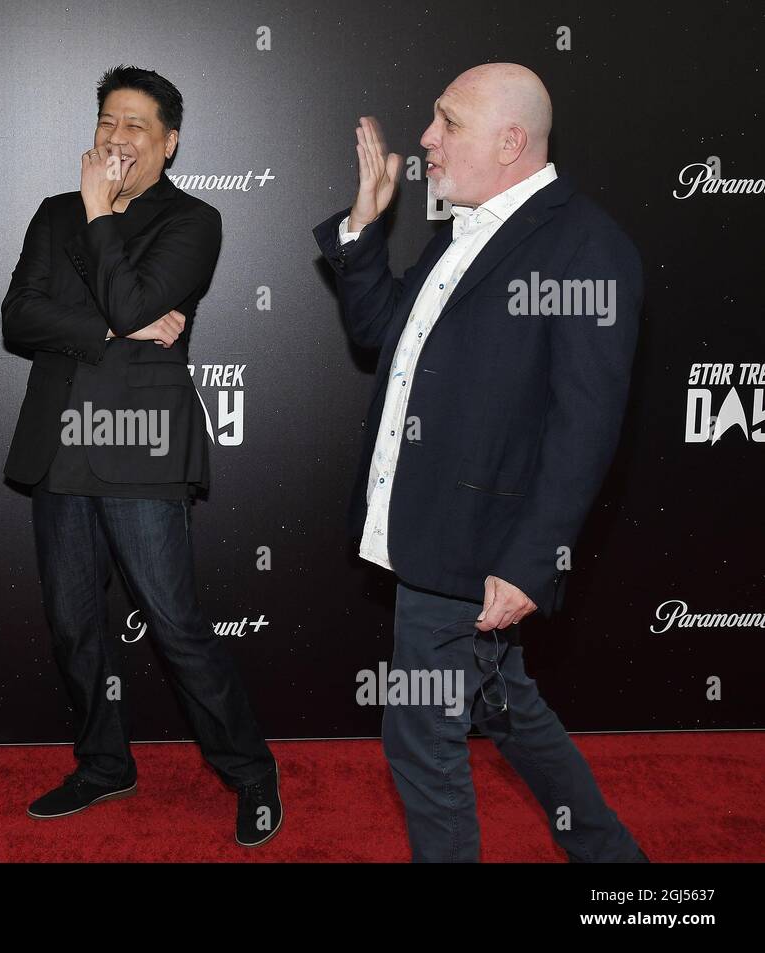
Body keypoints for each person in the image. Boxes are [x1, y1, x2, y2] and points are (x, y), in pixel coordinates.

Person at [312, 63, 648, 862]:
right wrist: (363, 228)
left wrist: (532, 561)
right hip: (427, 528)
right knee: (507, 709)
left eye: (447, 121)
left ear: (511, 140)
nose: (426, 138)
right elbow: (381, 333)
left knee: (420, 746)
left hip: (473, 546)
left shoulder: (587, 246)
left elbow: (586, 425)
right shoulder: (460, 232)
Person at [2, 66, 281, 847]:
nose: (116, 138)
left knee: (174, 621)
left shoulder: (194, 220)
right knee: (71, 622)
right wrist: (109, 330)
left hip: (142, 445)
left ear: (170, 141)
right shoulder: (52, 213)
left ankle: (251, 769)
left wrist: (99, 220)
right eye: (107, 122)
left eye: (135, 126)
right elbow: (19, 317)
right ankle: (102, 763)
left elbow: (130, 301)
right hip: (61, 443)